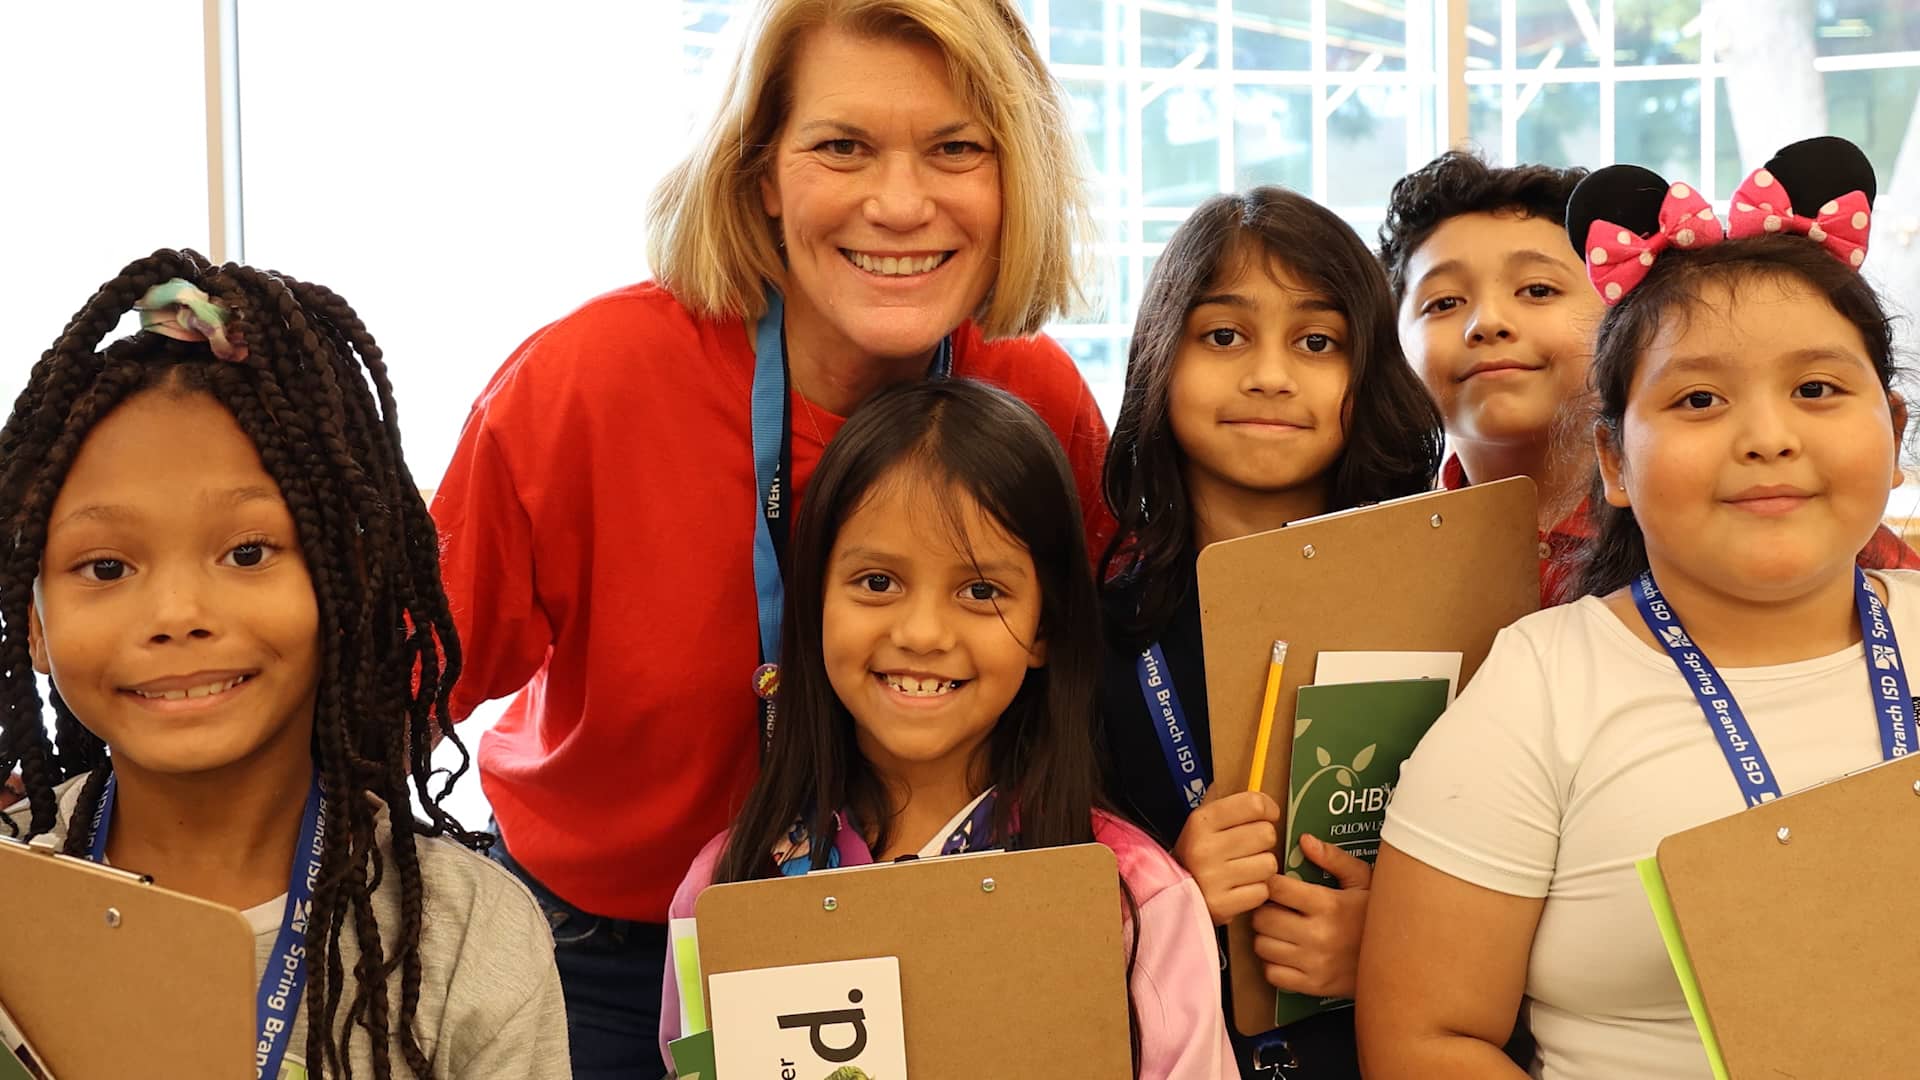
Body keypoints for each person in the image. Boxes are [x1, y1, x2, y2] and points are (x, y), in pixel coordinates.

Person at [428, 5, 1107, 1073]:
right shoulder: (586, 385)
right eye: (842, 147)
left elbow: (1101, 683)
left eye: (956, 149)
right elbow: (392, 693)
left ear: (1012, 177)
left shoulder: (1033, 398)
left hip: (941, 926)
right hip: (603, 956)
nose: (899, 202)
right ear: (759, 175)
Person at [1359, 137, 1917, 1079]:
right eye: (1699, 398)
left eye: (1817, 388)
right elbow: (1423, 1042)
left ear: (1894, 433)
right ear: (1613, 462)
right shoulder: (1536, 689)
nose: (1767, 437)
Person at [0, 250, 568, 1078]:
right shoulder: (13, 898)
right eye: (107, 568)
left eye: (247, 551)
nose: (177, 616)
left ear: (349, 585)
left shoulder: (466, 935)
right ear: (34, 625)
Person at [660, 378, 1235, 1079]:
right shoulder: (728, 890)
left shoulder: (1136, 901)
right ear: (813, 603)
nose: (924, 633)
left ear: (1045, 626)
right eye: (877, 582)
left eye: (981, 591)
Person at [1095, 187, 1443, 1078]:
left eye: (1318, 342)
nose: (1270, 376)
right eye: (1223, 336)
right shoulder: (1088, 634)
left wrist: (1393, 944)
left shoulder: (1449, 603)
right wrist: (1169, 894)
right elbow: (1025, 905)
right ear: (1157, 359)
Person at [1379, 150, 1917, 604]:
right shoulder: (1377, 546)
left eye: (1538, 290)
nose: (1488, 323)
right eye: (1443, 302)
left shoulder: (1762, 512)